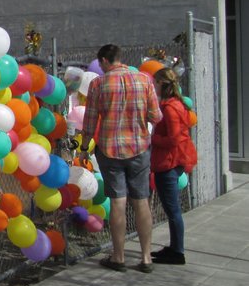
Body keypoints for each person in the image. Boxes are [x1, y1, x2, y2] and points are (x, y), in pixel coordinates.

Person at [78, 44, 162, 273]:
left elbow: (90, 123)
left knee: (118, 201)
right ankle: (146, 258)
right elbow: (156, 116)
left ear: (105, 61)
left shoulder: (99, 84)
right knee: (141, 200)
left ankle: (119, 256)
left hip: (110, 149)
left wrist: (84, 148)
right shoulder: (144, 81)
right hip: (139, 148)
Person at [149, 67, 197, 265]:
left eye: (155, 82)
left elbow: (174, 137)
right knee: (172, 208)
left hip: (169, 161)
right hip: (172, 160)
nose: (153, 86)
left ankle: (178, 252)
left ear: (162, 84)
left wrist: (154, 138)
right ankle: (175, 246)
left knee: (172, 208)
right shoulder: (175, 104)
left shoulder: (170, 107)